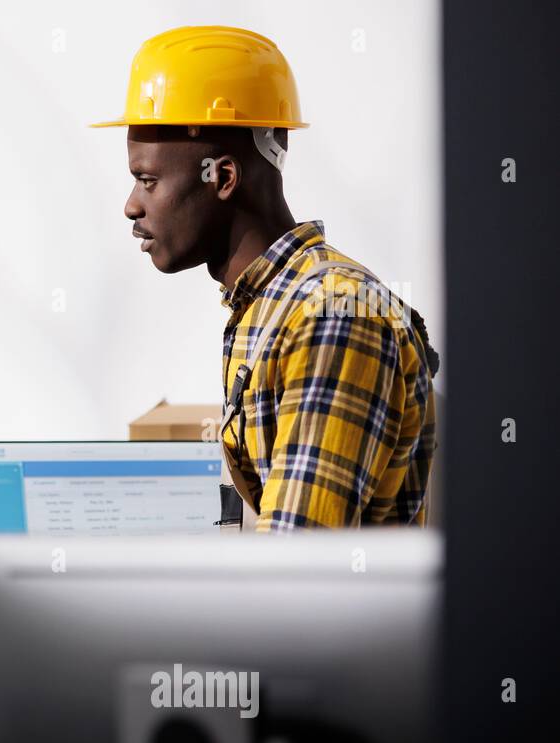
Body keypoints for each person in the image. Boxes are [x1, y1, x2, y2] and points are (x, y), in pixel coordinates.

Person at [95, 26, 438, 530]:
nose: (131, 206)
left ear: (222, 178)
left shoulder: (330, 317)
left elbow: (297, 561)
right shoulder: (268, 307)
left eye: (148, 180)